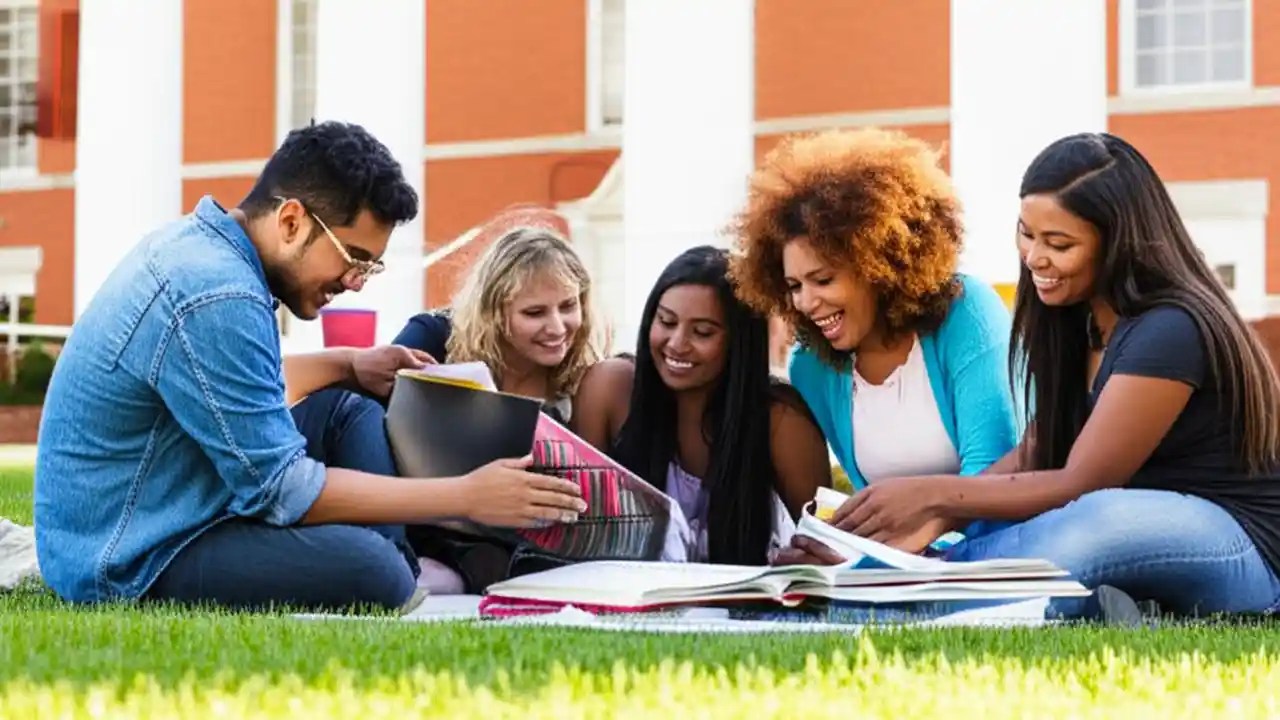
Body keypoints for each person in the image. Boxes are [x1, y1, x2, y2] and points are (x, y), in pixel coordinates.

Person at [33, 121, 586, 613]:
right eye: (354, 259)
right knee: (369, 569)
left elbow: (238, 397)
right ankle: (395, 569)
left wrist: (349, 363)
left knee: (345, 412)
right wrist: (465, 493)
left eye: (371, 265)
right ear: (292, 221)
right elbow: (280, 490)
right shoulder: (215, 294)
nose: (356, 282)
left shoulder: (207, 249)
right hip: (133, 549)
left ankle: (400, 569)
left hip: (177, 489)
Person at [783, 132, 1280, 622]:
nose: (1035, 258)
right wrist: (930, 522)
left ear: (1116, 243)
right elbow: (1038, 452)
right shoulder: (1074, 322)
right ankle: (900, 581)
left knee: (1093, 523)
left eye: (1059, 243)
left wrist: (933, 496)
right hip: (1141, 527)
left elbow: (1083, 481)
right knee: (1011, 527)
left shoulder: (1170, 328)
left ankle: (889, 591)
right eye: (1027, 233)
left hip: (1240, 546)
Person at [726, 127, 1019, 554]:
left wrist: (889, 554)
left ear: (878, 263)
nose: (806, 302)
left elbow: (991, 475)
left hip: (1001, 545)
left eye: (823, 279)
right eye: (793, 286)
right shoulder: (811, 367)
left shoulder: (966, 310)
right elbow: (871, 509)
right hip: (905, 566)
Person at [572, 245, 833, 565]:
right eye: (666, 322)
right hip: (625, 603)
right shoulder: (610, 388)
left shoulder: (780, 420)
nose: (677, 344)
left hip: (744, 605)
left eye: (702, 332)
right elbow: (575, 527)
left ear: (739, 341)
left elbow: (827, 544)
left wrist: (804, 563)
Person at [392, 222, 602, 424]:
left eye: (568, 306)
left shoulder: (592, 382)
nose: (557, 328)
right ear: (493, 312)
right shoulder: (434, 336)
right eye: (534, 313)